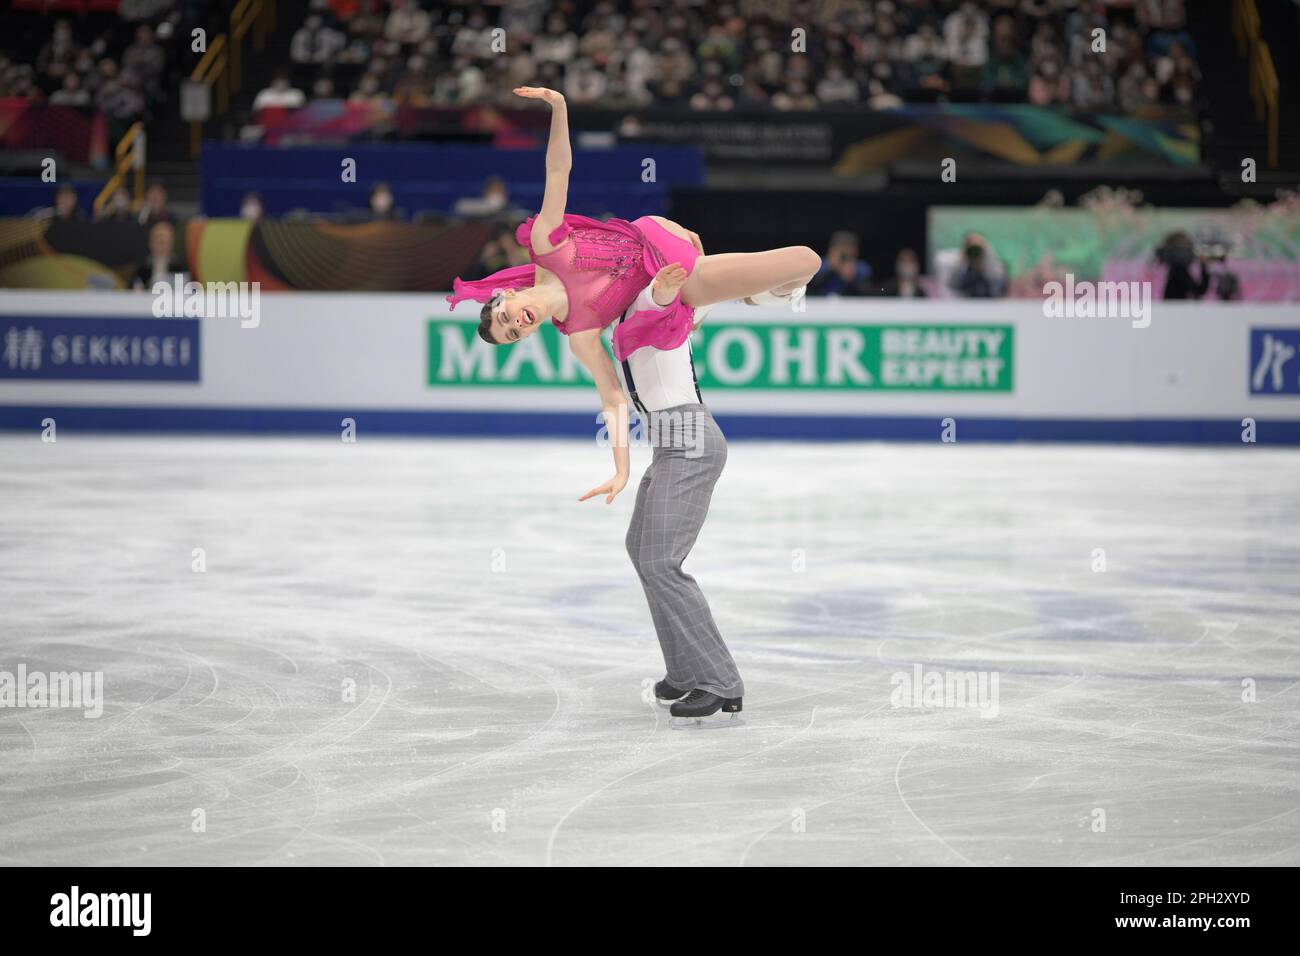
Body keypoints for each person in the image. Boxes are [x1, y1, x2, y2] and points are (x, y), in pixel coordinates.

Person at [448, 86, 819, 510]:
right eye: (514, 334)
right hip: (679, 283)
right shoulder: (580, 335)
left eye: (506, 318)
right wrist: (621, 468)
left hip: (662, 237)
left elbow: (558, 171)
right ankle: (756, 299)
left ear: (507, 294)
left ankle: (744, 299)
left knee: (800, 263)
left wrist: (559, 108)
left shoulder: (545, 244)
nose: (518, 325)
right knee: (805, 261)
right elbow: (612, 400)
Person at [607, 267, 742, 721]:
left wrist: (664, 282)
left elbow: (664, 294)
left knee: (662, 561)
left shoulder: (647, 300)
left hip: (689, 441)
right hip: (670, 443)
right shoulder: (623, 315)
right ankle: (684, 672)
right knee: (642, 549)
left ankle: (719, 681)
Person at [807, 231, 873, 297]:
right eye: (840, 249)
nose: (843, 255)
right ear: (831, 250)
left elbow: (867, 293)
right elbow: (811, 287)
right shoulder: (820, 264)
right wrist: (831, 268)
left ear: (855, 251)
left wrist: (852, 278)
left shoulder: (862, 268)